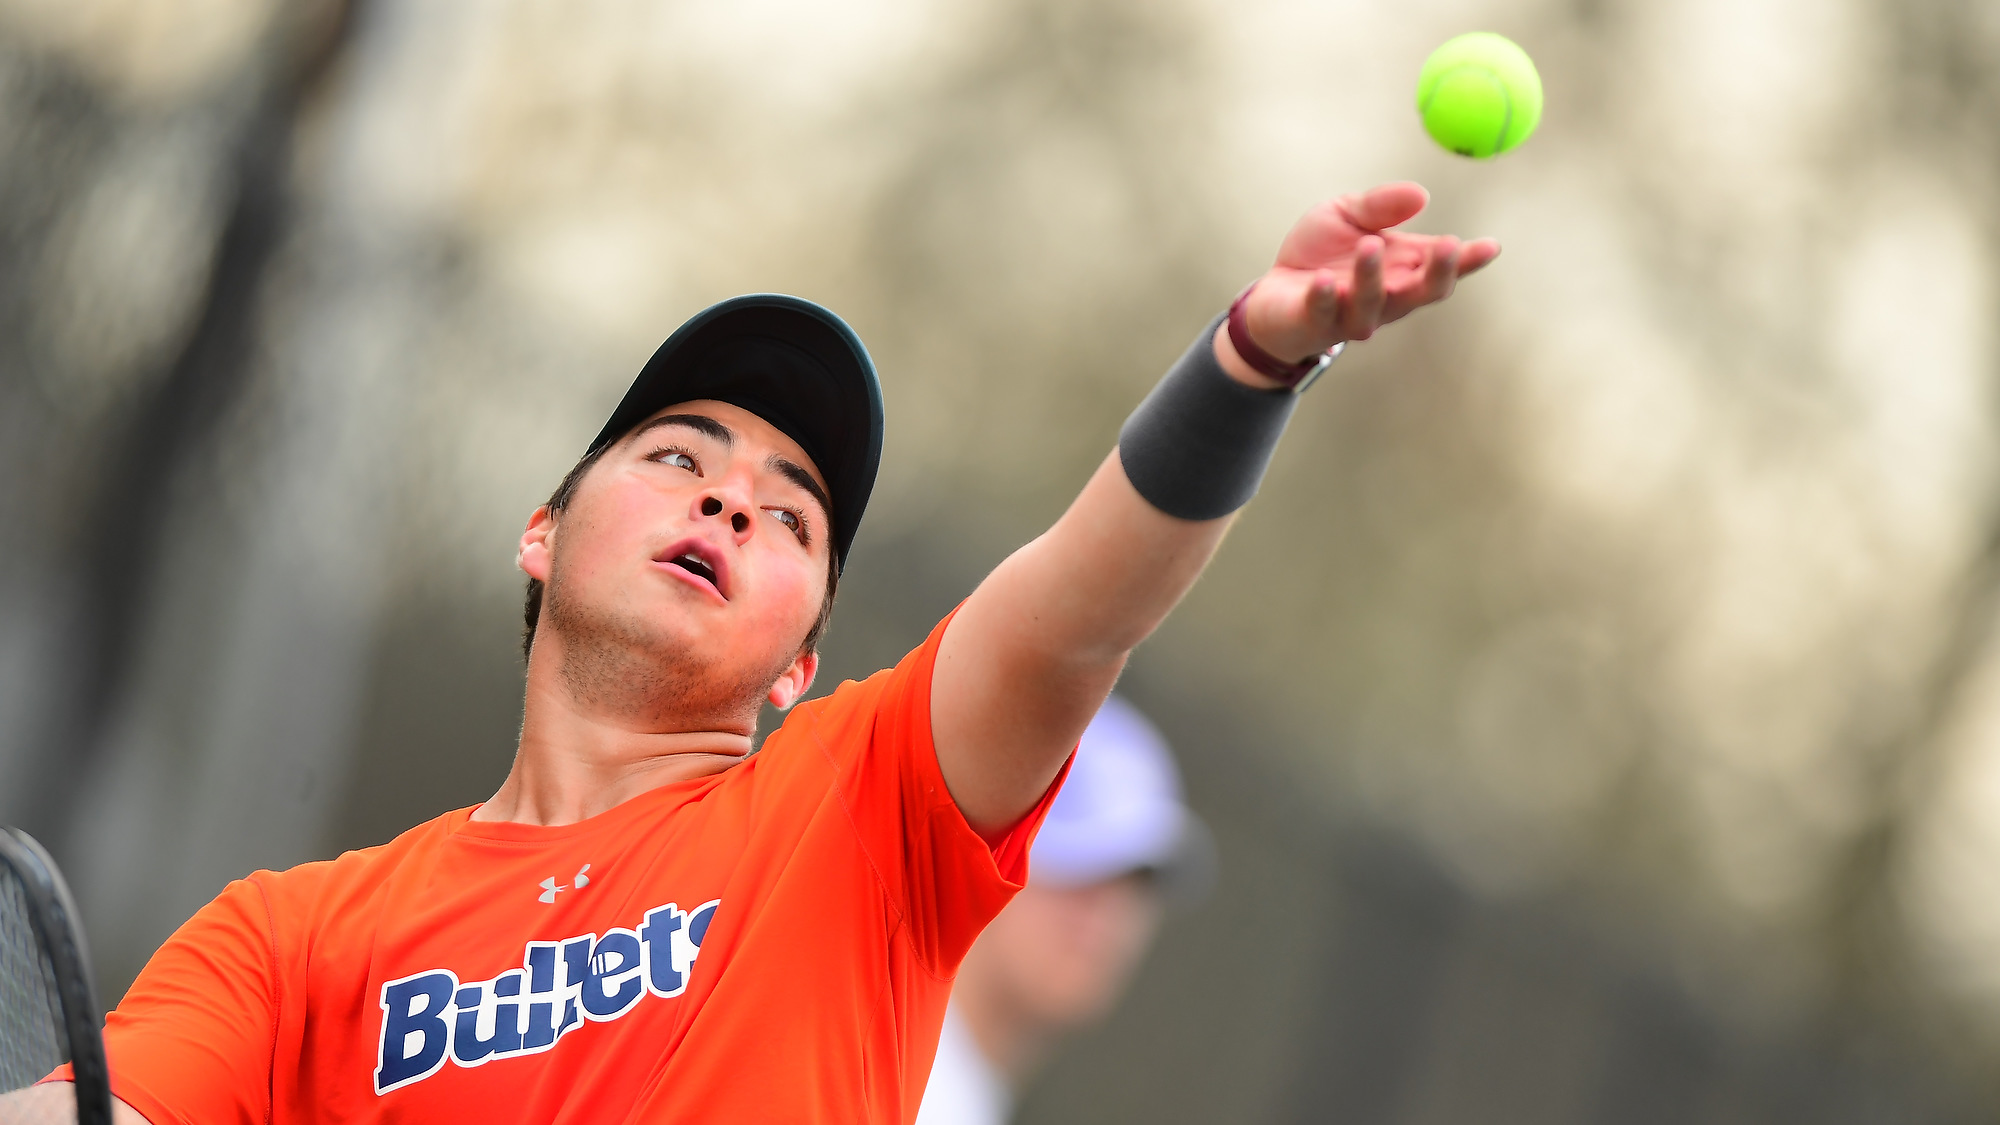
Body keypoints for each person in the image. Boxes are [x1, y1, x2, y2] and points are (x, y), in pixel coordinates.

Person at [2, 182, 1495, 1124]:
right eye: (676, 453)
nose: (729, 495)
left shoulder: (858, 818)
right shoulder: (288, 943)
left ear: (801, 663)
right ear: (542, 531)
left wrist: (1251, 362)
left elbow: (1075, 610)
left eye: (793, 516)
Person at [916, 695, 1211, 1125]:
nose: (1107, 912)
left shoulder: (951, 1090)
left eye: (1137, 880)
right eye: (1081, 858)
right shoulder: (893, 1081)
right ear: (985, 847)